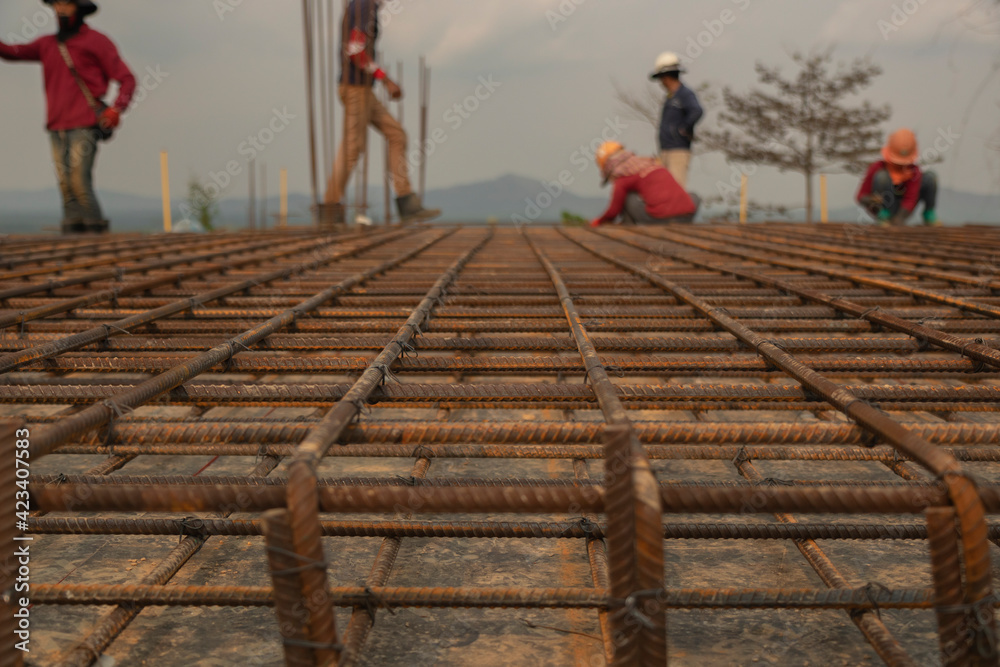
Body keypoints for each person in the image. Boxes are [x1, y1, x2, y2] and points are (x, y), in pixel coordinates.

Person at [0, 0, 135, 234]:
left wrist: (117, 108)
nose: (60, 9)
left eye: (67, 4)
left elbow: (127, 78)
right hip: (56, 125)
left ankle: (96, 237)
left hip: (85, 123)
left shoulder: (97, 42)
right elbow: (12, 52)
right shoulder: (47, 44)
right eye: (57, 4)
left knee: (79, 182)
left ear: (79, 8)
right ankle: (73, 237)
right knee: (65, 185)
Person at [320, 0, 439, 228]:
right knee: (353, 147)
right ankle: (330, 207)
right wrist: (385, 79)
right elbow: (355, 50)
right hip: (356, 89)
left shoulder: (359, 6)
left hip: (362, 89)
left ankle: (407, 203)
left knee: (396, 135)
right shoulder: (365, 6)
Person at [590, 141, 698, 227]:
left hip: (660, 219)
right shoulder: (652, 163)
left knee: (629, 198)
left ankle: (628, 226)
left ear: (608, 167)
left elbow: (613, 212)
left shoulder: (623, 177)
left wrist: (598, 221)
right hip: (686, 216)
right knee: (693, 196)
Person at [857, 128, 938, 226]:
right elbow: (861, 197)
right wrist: (871, 200)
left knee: (930, 178)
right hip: (882, 208)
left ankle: (929, 214)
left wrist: (900, 218)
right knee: (882, 177)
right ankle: (884, 216)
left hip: (903, 210)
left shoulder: (914, 171)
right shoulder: (877, 168)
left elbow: (911, 198)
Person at [650, 51, 702, 189]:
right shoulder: (671, 97)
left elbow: (697, 110)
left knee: (675, 192)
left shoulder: (685, 94)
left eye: (661, 77)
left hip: (678, 150)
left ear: (666, 77)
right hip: (666, 150)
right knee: (664, 190)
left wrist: (683, 129)